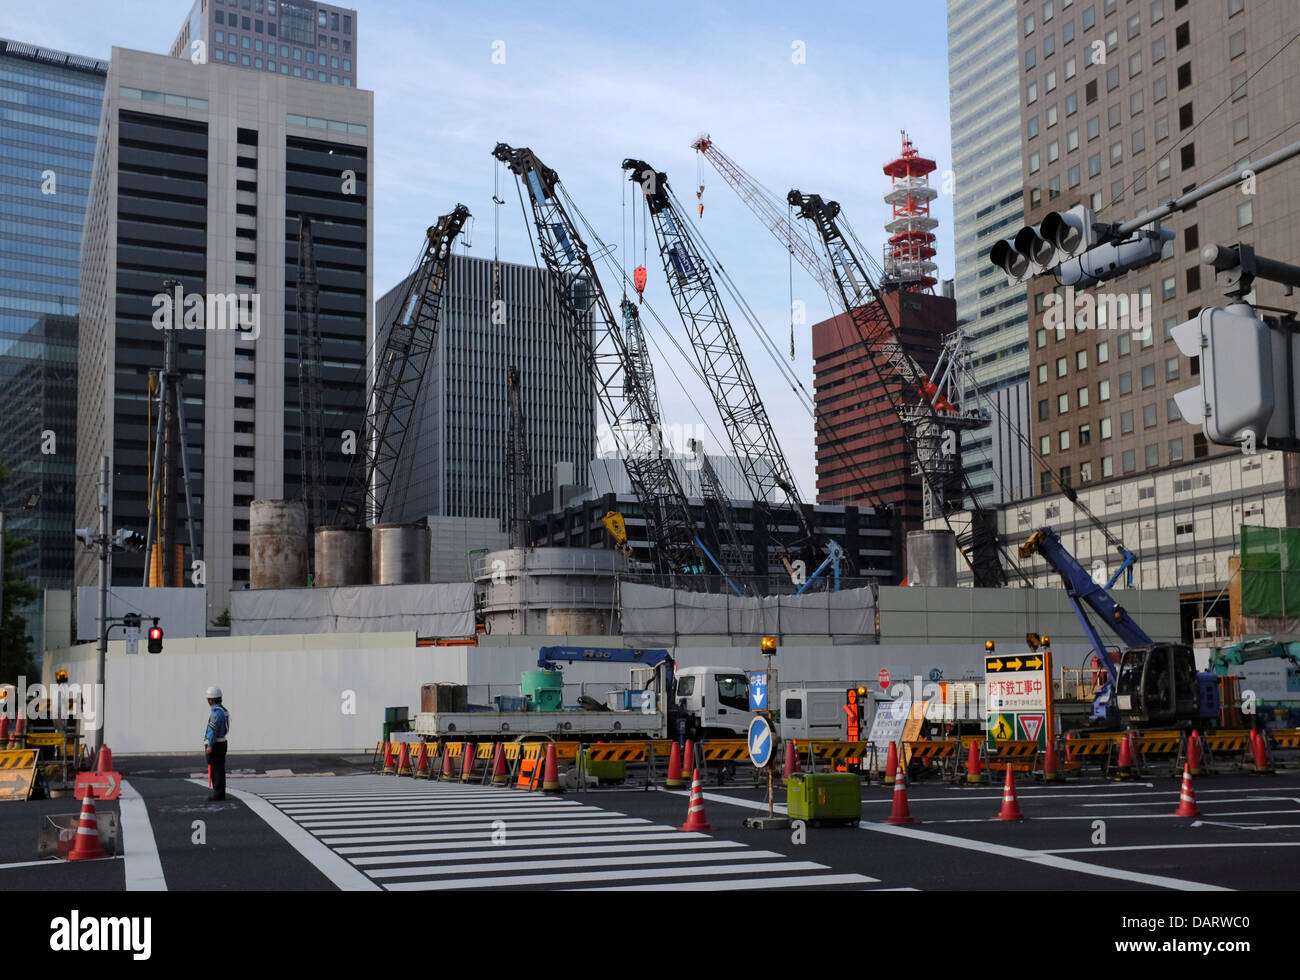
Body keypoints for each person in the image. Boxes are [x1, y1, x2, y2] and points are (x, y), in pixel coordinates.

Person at [204, 686, 231, 801]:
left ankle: (218, 794)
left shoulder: (216, 713)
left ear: (211, 700)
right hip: (222, 742)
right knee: (220, 769)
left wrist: (210, 745)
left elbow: (212, 731)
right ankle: (220, 792)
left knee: (216, 770)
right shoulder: (224, 711)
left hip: (216, 744)